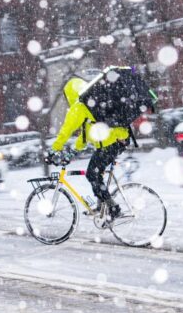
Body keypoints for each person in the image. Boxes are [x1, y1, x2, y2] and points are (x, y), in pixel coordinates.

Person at [49, 77, 129, 219]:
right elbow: (86, 134)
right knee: (97, 173)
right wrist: (74, 150)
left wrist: (55, 148)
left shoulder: (80, 105)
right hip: (117, 141)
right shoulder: (92, 103)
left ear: (70, 94)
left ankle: (113, 207)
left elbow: (66, 130)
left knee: (92, 175)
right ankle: (101, 204)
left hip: (110, 144)